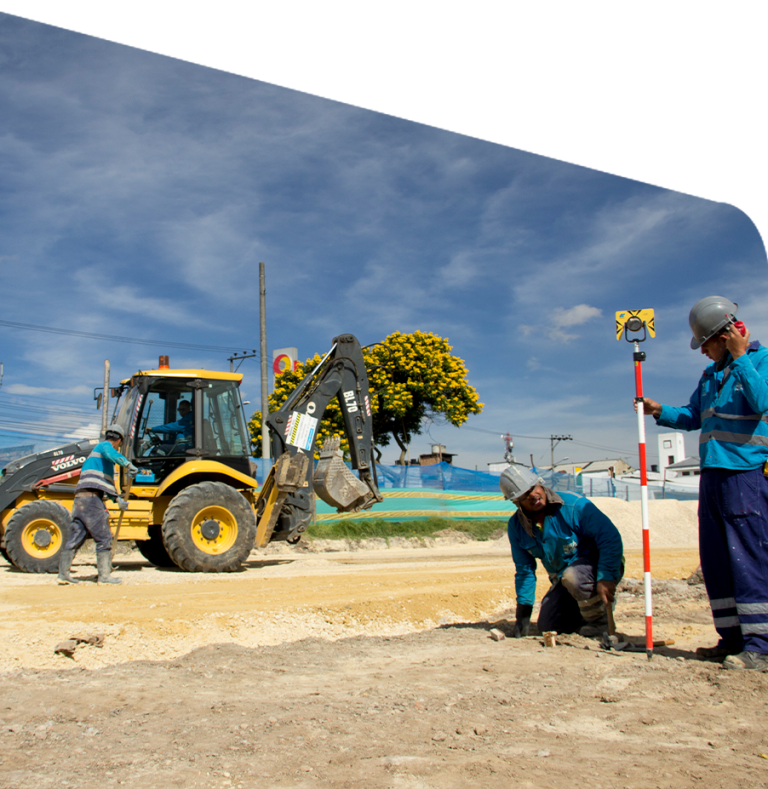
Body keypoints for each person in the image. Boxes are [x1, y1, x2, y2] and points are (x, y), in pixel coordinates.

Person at [637, 296, 768, 670]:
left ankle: (761, 645)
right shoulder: (711, 375)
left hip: (746, 475)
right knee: (717, 559)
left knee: (749, 558)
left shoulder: (760, 362)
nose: (703, 352)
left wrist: (741, 358)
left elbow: (762, 402)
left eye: (706, 344)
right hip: (712, 476)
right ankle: (731, 639)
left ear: (726, 336)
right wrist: (659, 410)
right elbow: (694, 415)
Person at [500, 466, 624, 638]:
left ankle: (599, 624)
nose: (532, 495)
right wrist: (522, 619)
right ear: (516, 501)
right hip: (565, 579)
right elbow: (524, 571)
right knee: (549, 625)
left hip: (599, 567)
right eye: (524, 495)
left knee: (574, 576)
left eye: (533, 488)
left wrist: (607, 575)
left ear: (540, 484)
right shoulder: (517, 527)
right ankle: (583, 616)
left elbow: (609, 537)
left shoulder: (573, 505)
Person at [57, 424, 138, 585]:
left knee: (77, 536)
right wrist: (127, 464)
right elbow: (110, 454)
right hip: (92, 499)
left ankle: (63, 575)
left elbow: (102, 482)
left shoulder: (99, 459)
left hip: (81, 498)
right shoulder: (105, 447)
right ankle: (105, 576)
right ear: (119, 440)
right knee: (104, 537)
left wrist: (117, 499)